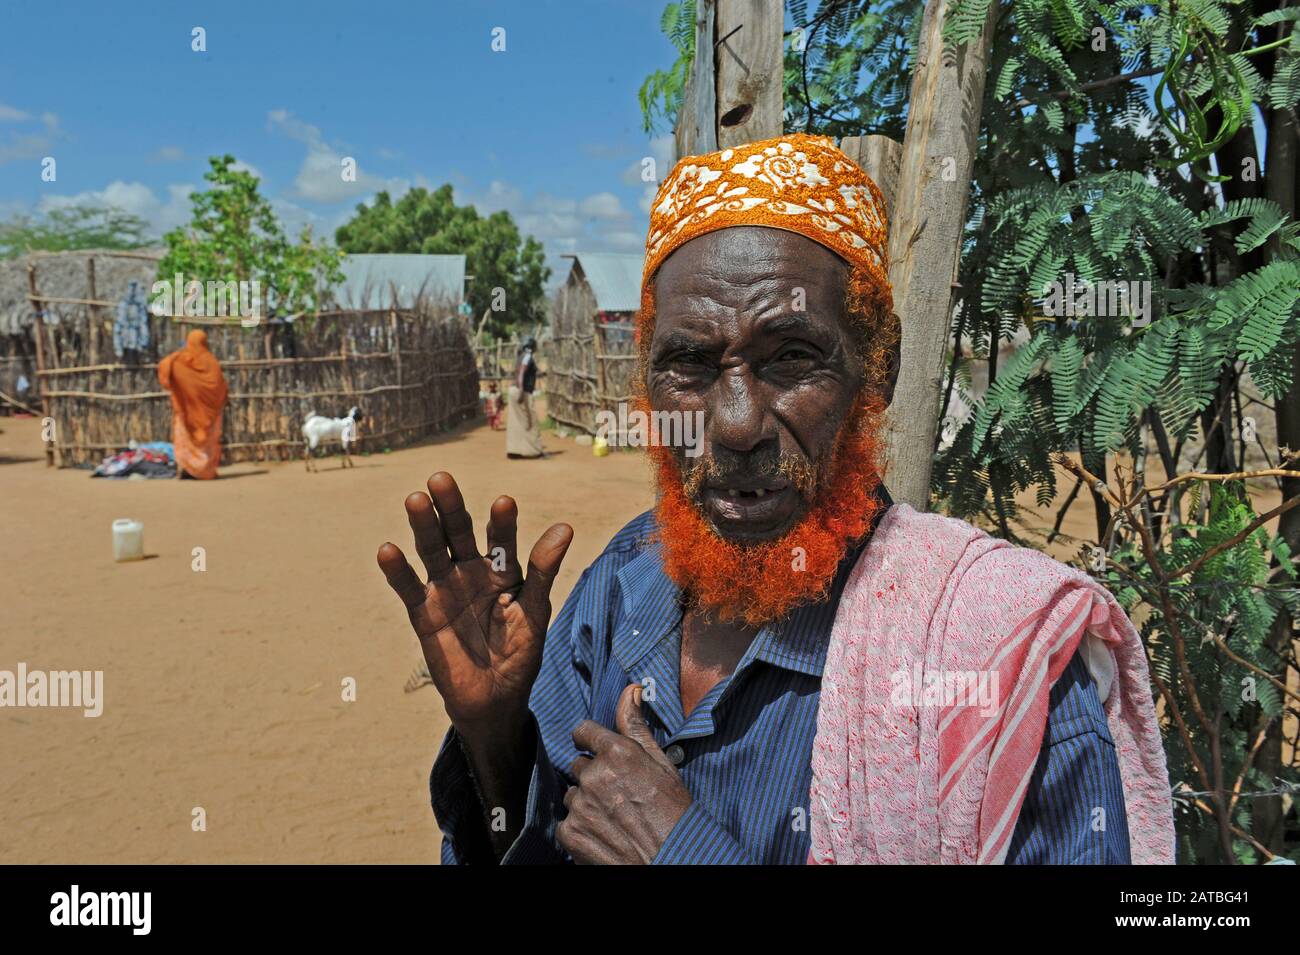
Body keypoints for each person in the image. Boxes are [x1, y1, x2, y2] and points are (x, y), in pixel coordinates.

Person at [376, 134, 1174, 865]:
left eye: (791, 357)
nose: (735, 425)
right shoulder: (622, 584)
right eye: (689, 363)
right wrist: (493, 741)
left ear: (879, 367)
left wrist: (686, 852)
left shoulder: (999, 675)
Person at [158, 329, 228, 480]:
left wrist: (174, 357)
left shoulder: (181, 360)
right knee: (209, 441)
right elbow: (220, 387)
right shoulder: (212, 363)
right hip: (211, 413)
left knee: (185, 438)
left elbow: (165, 366)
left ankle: (188, 469)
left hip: (188, 411)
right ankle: (206, 471)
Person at [505, 336, 544, 459]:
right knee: (530, 421)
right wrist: (522, 389)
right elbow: (522, 372)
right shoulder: (527, 356)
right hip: (522, 391)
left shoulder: (520, 356)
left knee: (516, 422)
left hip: (513, 390)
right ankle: (533, 451)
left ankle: (514, 450)